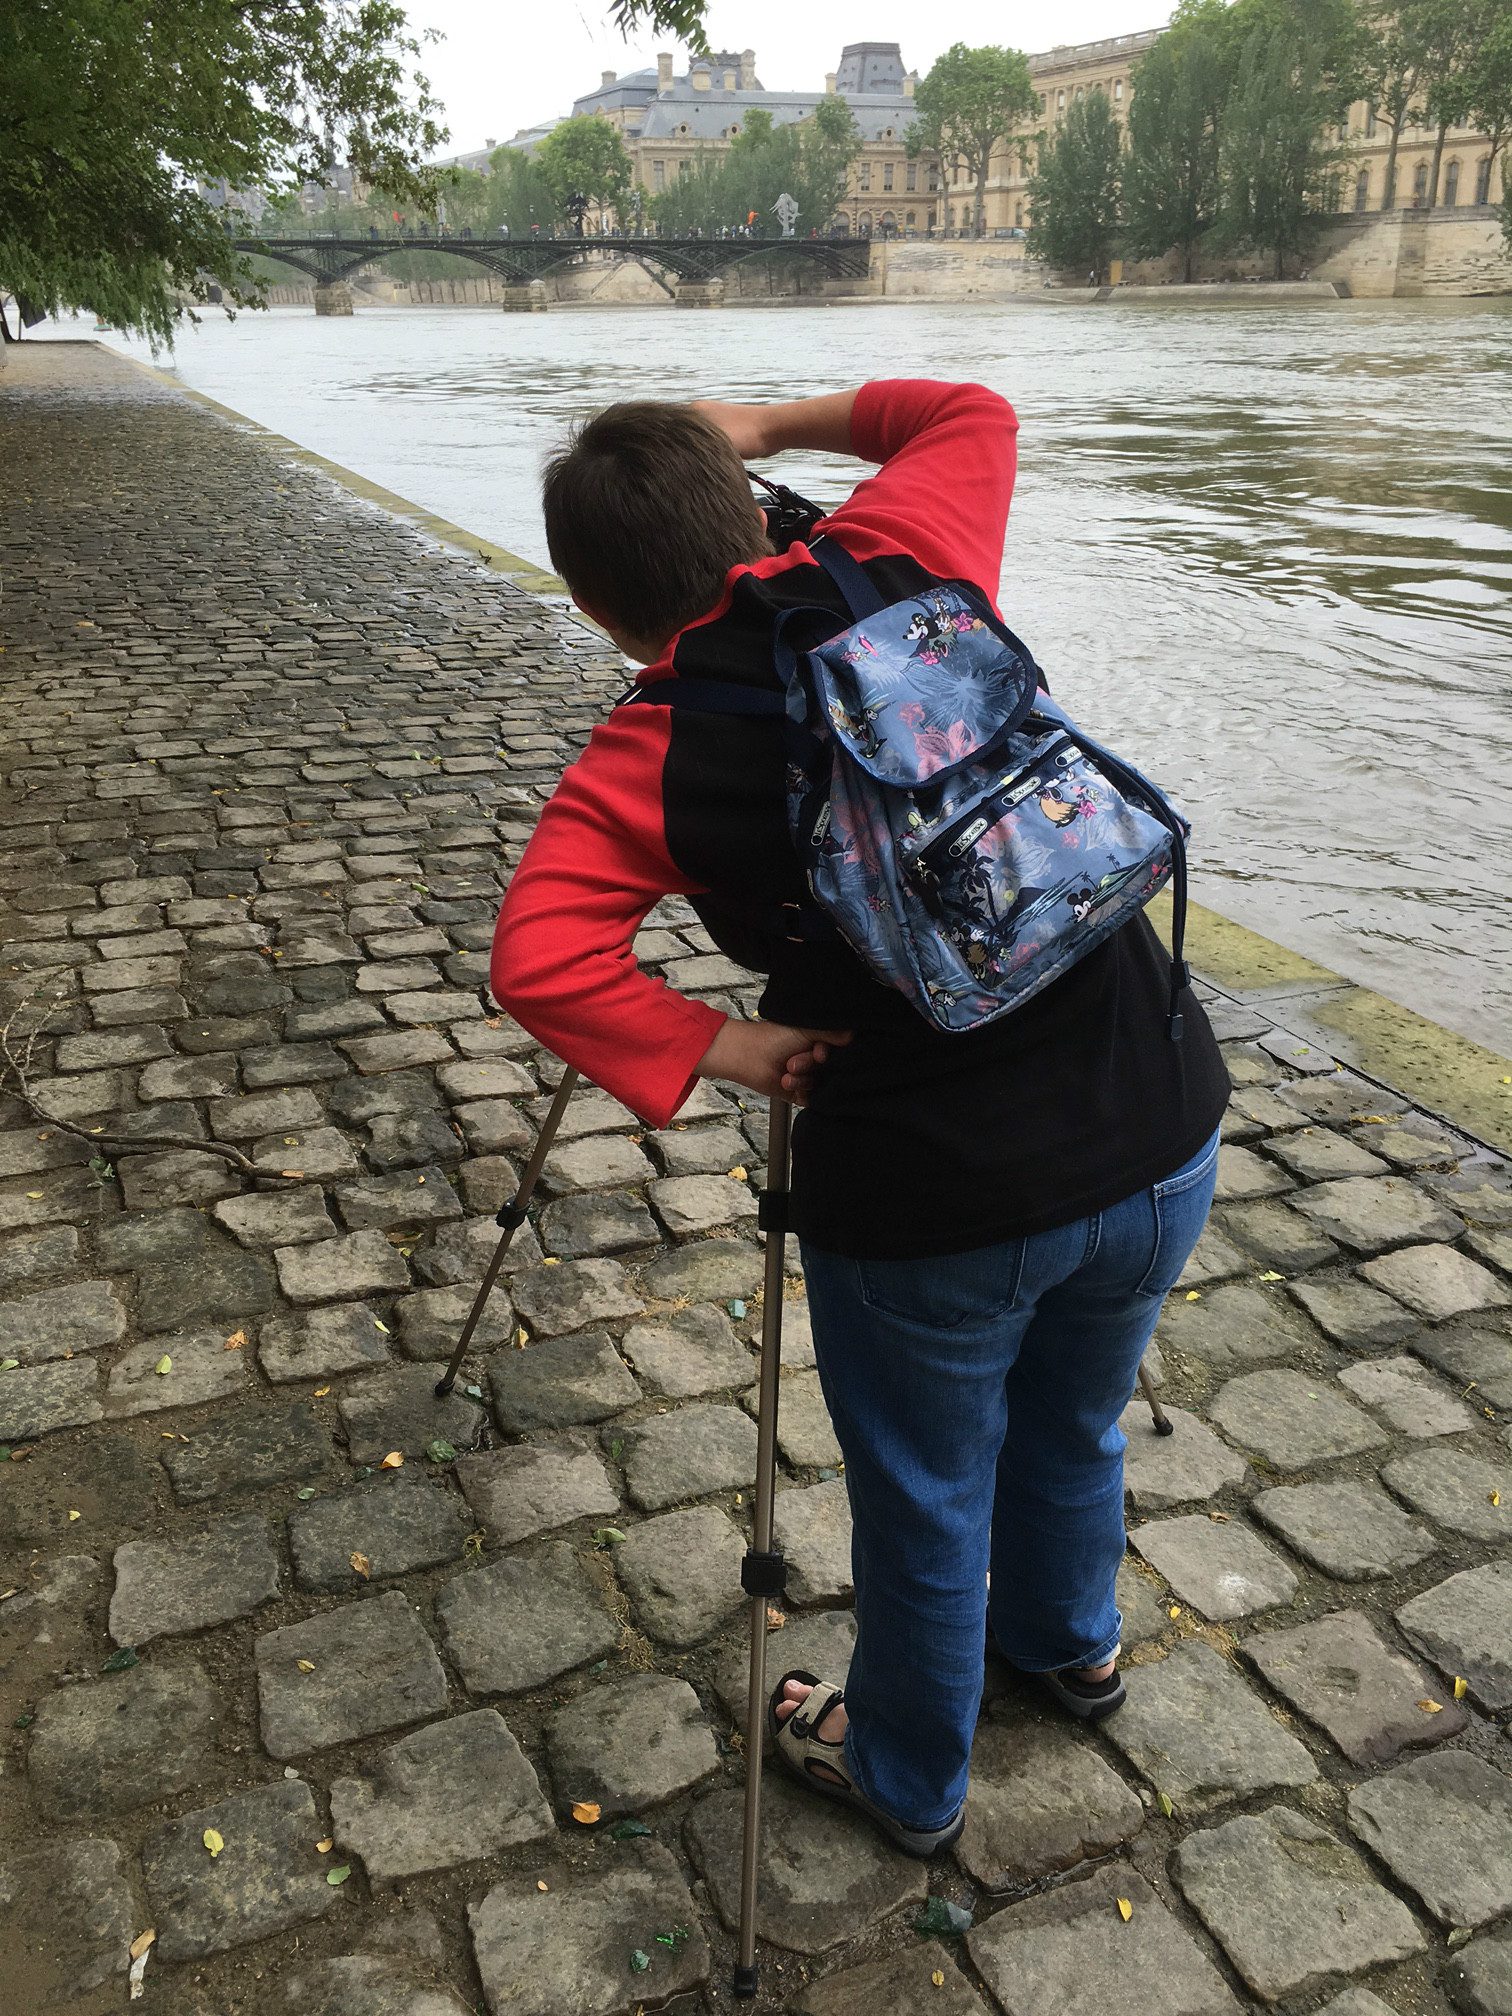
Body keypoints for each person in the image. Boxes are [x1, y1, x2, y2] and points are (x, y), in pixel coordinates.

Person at [489, 384, 1229, 1857]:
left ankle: (905, 1773)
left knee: (929, 1494)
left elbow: (538, 962)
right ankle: (1071, 1647)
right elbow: (971, 411)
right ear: (750, 511)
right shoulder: (903, 556)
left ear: (595, 610)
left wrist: (733, 1047)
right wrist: (763, 425)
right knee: (1076, 1421)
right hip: (1156, 1111)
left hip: (928, 1190)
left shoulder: (649, 751)